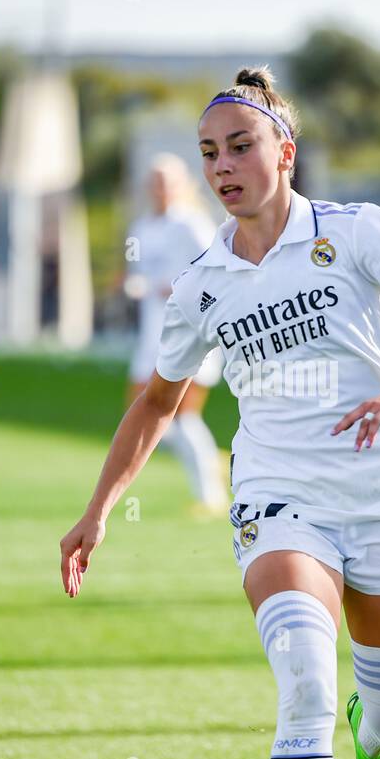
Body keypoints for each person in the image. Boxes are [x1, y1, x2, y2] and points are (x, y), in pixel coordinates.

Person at [59, 66, 380, 759]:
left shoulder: (357, 229)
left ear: (285, 151)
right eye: (209, 153)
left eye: (240, 146)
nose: (222, 166)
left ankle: (371, 738)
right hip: (278, 501)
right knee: (304, 684)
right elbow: (157, 403)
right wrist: (98, 509)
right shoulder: (203, 283)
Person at [123, 154, 227, 514]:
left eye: (167, 180)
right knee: (143, 413)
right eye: (155, 180)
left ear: (183, 184)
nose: (161, 188)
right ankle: (208, 461)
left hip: (192, 333)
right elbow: (135, 274)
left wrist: (172, 288)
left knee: (183, 415)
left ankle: (210, 495)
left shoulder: (192, 225)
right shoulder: (140, 227)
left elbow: (213, 272)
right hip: (152, 335)